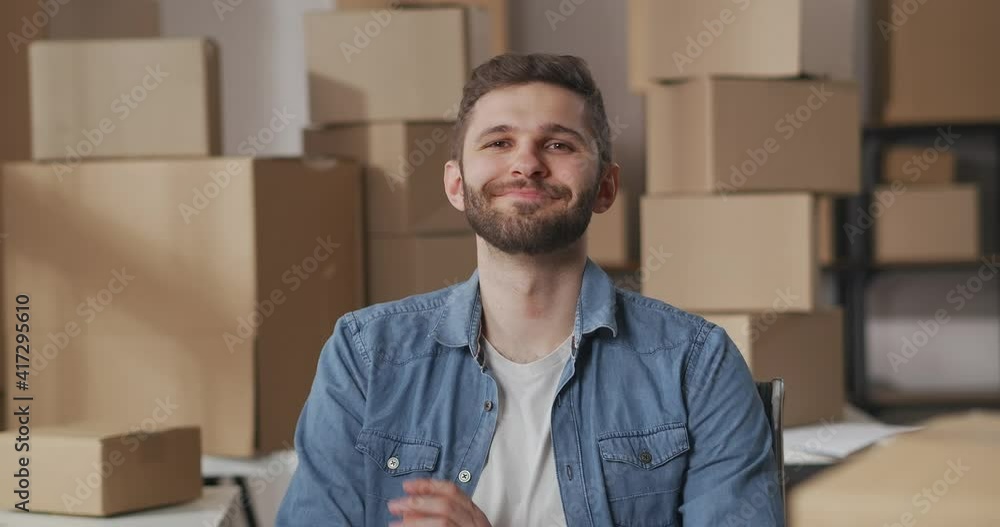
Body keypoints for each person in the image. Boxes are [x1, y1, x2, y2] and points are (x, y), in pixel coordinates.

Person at [277, 53, 784, 527]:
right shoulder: (365, 355)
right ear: (455, 185)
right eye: (499, 142)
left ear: (606, 188)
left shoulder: (695, 364)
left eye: (559, 144)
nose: (527, 164)